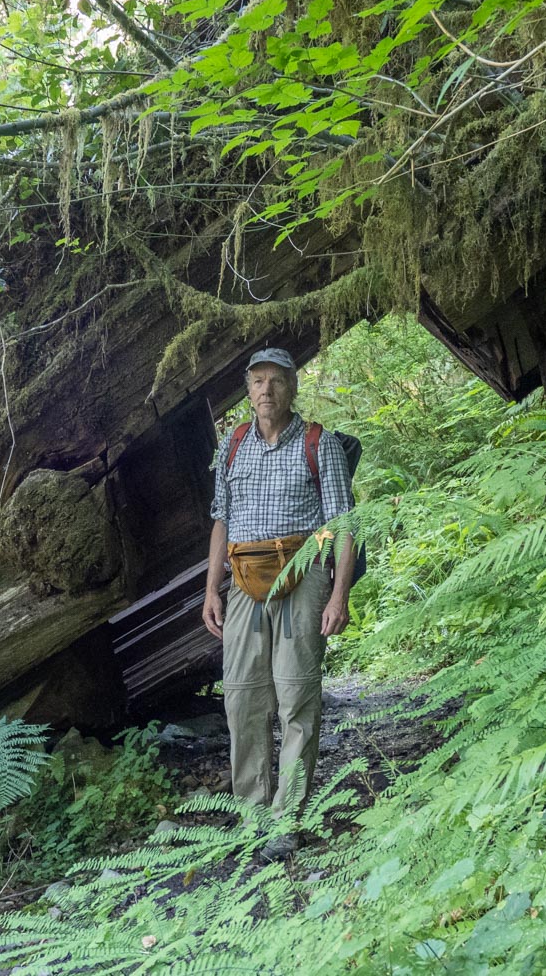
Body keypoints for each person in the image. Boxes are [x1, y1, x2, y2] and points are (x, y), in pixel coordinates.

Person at [202, 348, 357, 861]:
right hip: (243, 580)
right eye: (257, 381)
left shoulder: (319, 444)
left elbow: (343, 524)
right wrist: (211, 590)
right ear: (248, 391)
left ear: (292, 388)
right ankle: (252, 816)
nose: (265, 390)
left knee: (296, 697)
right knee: (242, 699)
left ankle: (287, 820)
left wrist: (339, 594)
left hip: (303, 574)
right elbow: (221, 520)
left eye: (275, 381)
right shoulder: (233, 445)